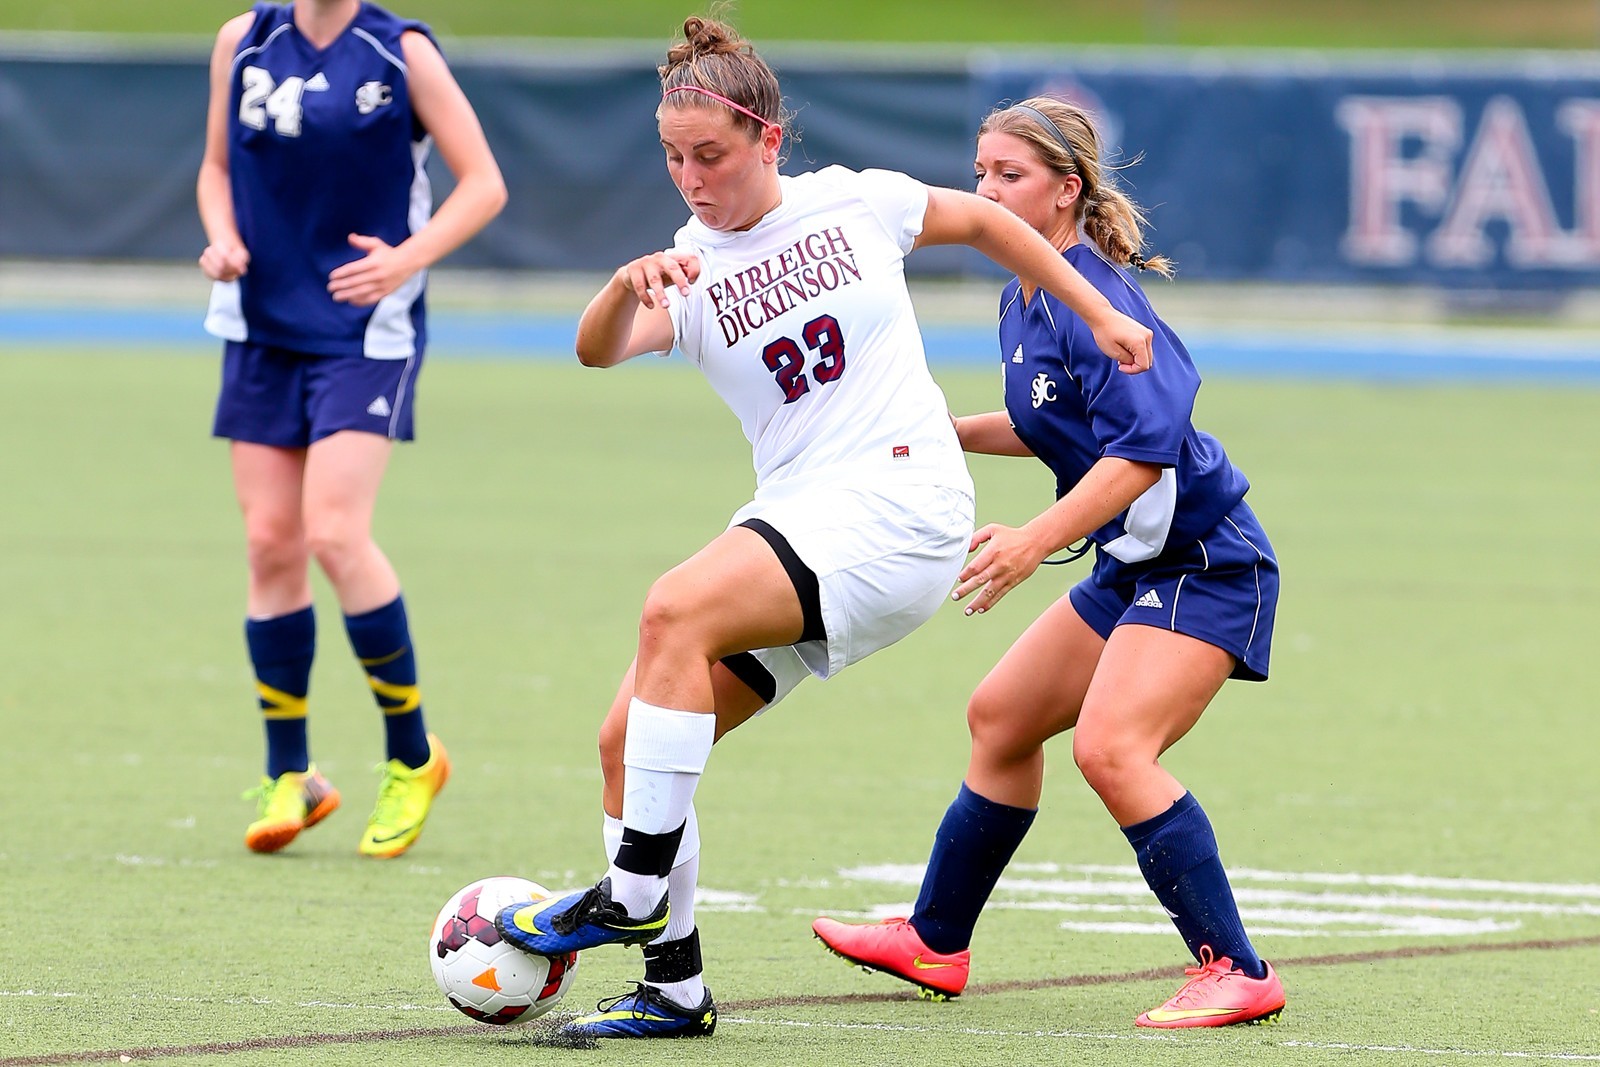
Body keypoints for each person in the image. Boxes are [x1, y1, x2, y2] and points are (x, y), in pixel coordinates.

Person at [489, 18, 1154, 1041]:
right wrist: (620, 287)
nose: (690, 177)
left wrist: (1096, 308)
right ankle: (671, 986)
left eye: (708, 154)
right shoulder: (687, 266)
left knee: (672, 607)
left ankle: (628, 895)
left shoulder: (853, 201)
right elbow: (597, 350)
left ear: (768, 140)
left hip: (901, 504)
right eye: (671, 157)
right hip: (803, 520)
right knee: (629, 740)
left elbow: (985, 226)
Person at [812, 96, 1286, 1029]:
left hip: (1205, 564)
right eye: (980, 170)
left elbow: (1144, 451)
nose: (984, 189)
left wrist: (1033, 540)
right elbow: (1049, 425)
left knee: (1110, 748)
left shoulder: (1096, 296)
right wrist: (932, 435)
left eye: (1009, 175)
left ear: (1066, 192)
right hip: (1133, 569)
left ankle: (1238, 967)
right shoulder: (1023, 292)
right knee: (1001, 716)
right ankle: (937, 939)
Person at [196, 0, 506, 857]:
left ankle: (413, 756)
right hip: (261, 323)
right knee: (269, 542)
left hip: (364, 330)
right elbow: (216, 171)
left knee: (334, 531)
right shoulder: (244, 39)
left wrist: (406, 258)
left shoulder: (399, 50)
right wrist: (220, 239)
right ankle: (290, 773)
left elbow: (484, 182)